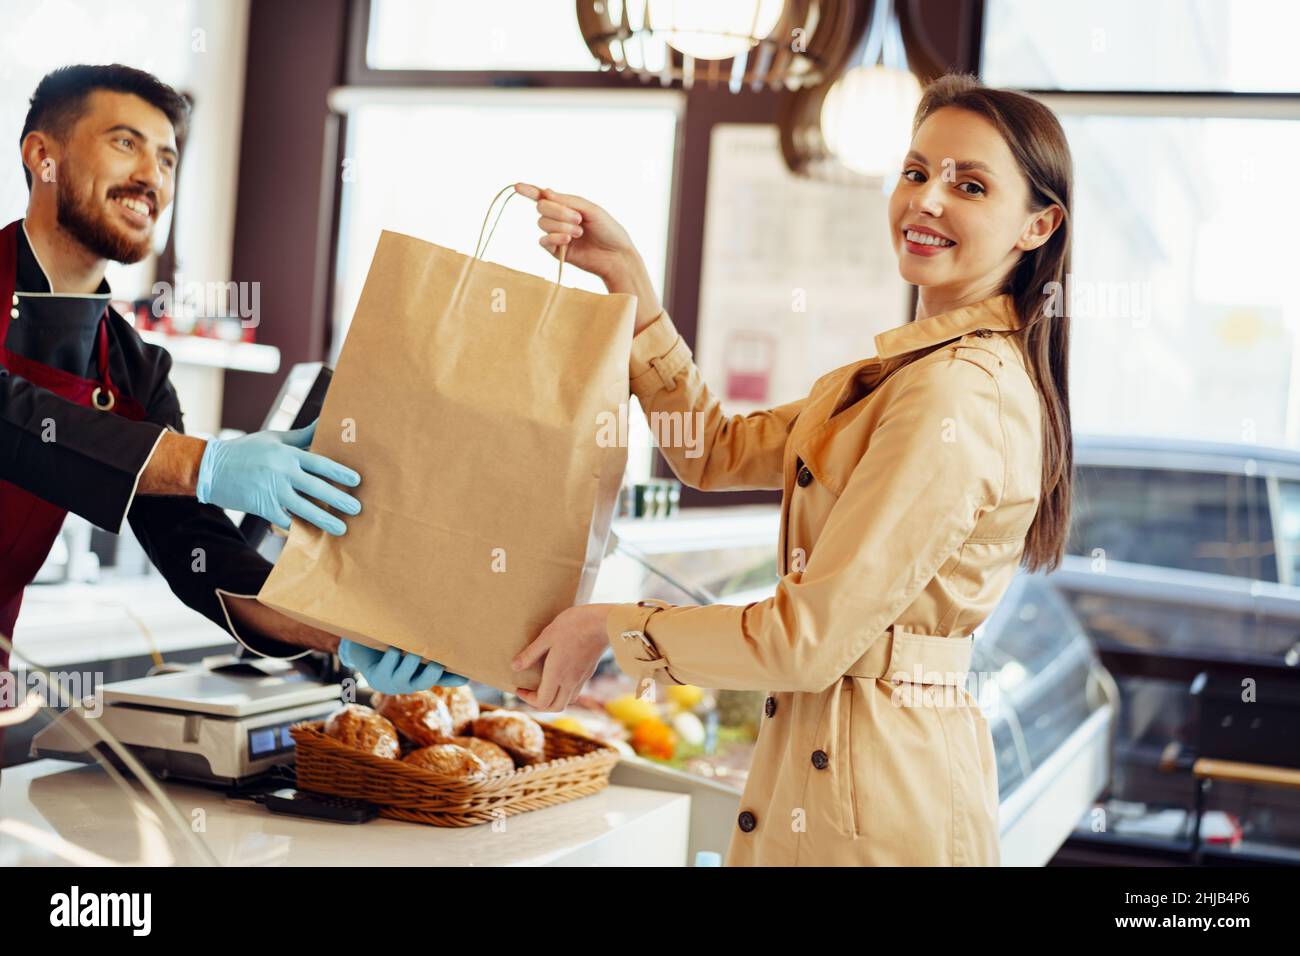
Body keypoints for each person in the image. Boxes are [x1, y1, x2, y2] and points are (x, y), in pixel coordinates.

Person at [511, 73, 1074, 866]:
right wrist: (630, 283)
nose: (927, 201)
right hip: (834, 766)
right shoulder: (905, 373)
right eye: (915, 172)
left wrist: (610, 627)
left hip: (876, 802)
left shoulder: (957, 391)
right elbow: (711, 450)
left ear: (1036, 225)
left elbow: (804, 642)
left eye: (970, 185)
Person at [0, 64, 457, 695]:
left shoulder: (134, 367)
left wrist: (340, 634)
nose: (151, 176)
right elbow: (10, 419)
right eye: (125, 142)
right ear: (41, 155)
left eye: (167, 158)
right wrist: (206, 463)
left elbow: (196, 548)